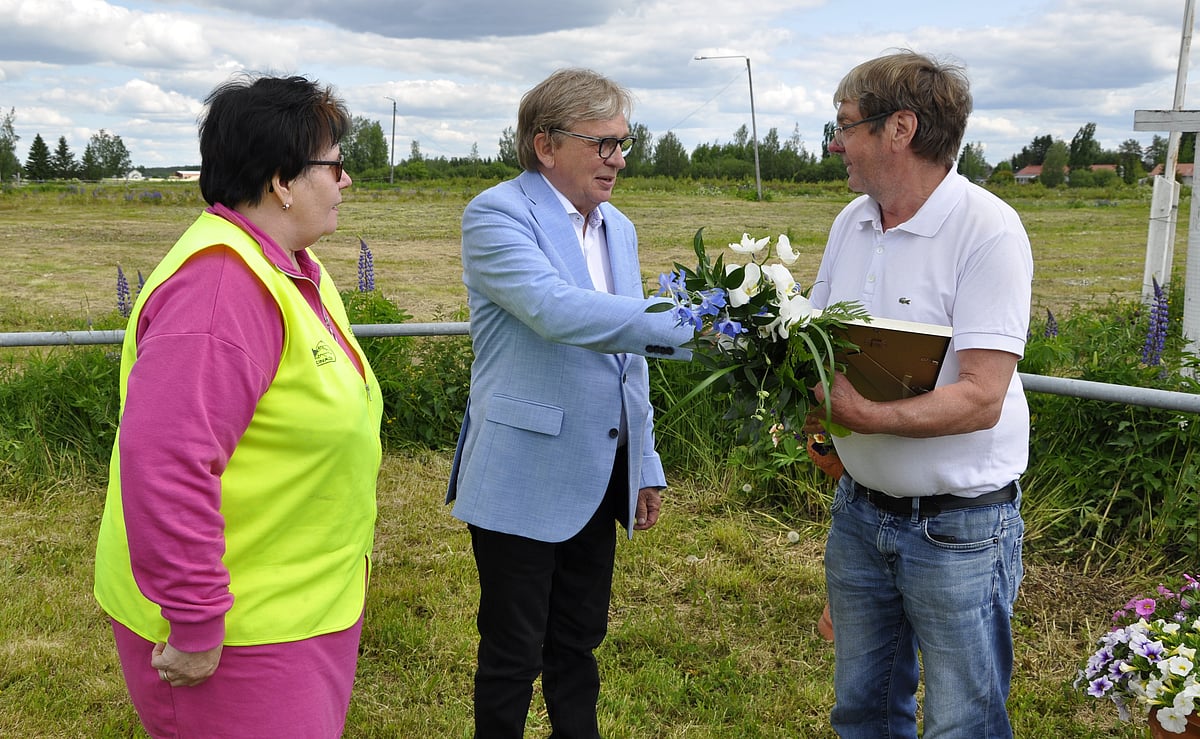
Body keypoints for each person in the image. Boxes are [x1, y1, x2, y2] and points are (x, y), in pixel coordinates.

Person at [93, 74, 381, 738]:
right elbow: (165, 459)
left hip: (295, 610)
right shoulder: (222, 290)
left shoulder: (288, 265)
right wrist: (196, 621)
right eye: (335, 165)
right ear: (282, 180)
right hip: (240, 634)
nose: (346, 182)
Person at [445, 68, 693, 738]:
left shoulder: (619, 228)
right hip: (521, 469)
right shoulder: (497, 214)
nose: (616, 160)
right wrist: (693, 320)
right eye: (602, 144)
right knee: (511, 652)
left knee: (579, 644)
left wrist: (644, 461)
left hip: (599, 466)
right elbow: (557, 311)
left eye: (623, 143)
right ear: (546, 145)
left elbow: (626, 357)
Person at [807, 50, 1033, 738]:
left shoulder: (986, 229)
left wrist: (867, 416)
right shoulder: (852, 221)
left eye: (844, 125)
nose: (835, 143)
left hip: (959, 528)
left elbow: (981, 397)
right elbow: (813, 344)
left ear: (900, 128)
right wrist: (815, 413)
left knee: (963, 722)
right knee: (863, 712)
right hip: (860, 514)